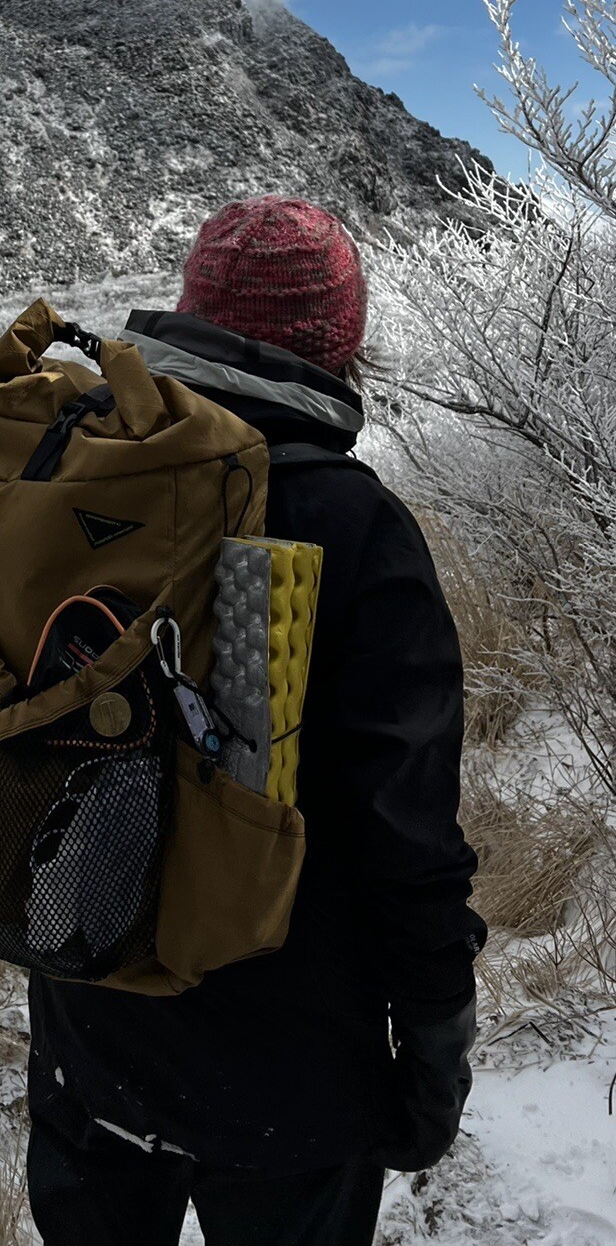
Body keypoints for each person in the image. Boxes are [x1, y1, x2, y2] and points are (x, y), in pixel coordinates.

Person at [25, 196, 486, 1246]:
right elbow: (406, 841)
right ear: (340, 346)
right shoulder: (356, 527)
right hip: (287, 1077)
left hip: (85, 1011)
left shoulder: (70, 468)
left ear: (188, 313)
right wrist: (434, 1053)